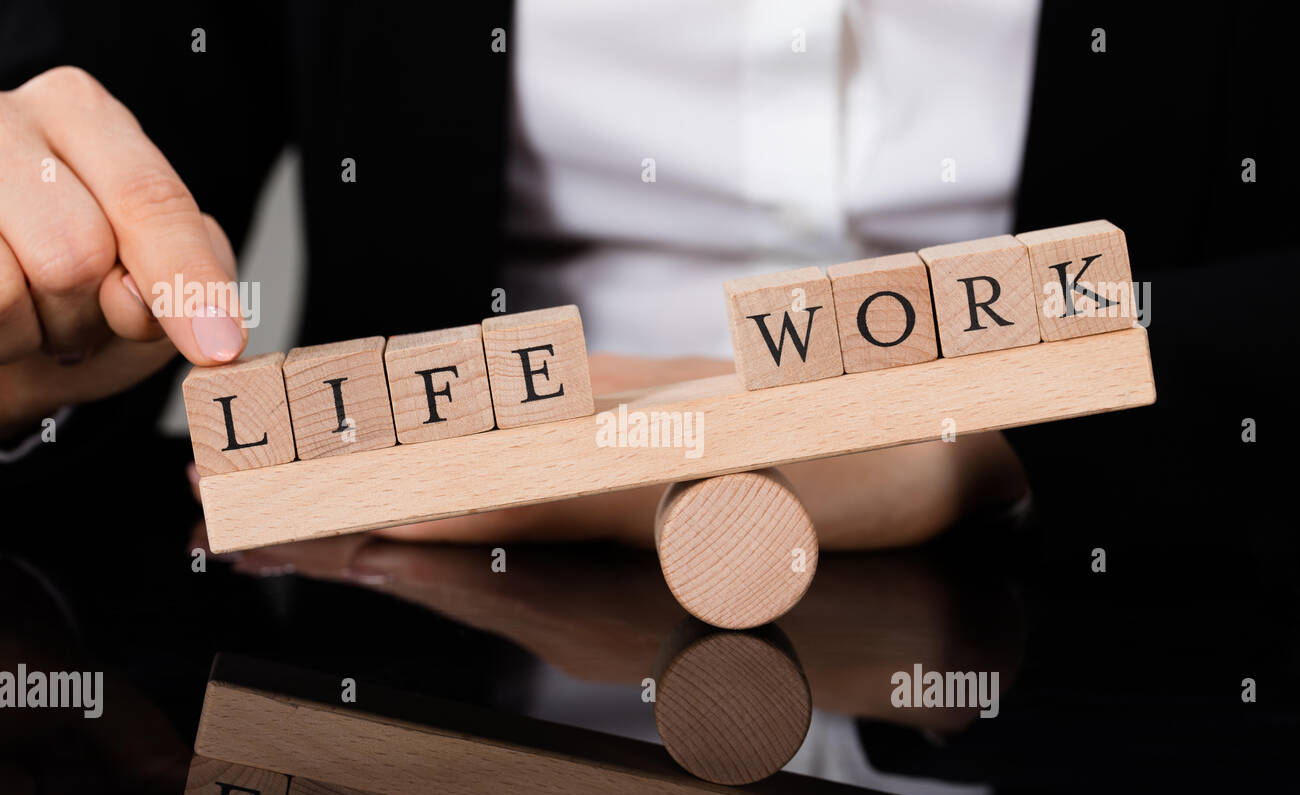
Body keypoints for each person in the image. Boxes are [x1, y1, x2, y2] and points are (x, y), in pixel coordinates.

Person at [0, 2, 1288, 553]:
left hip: (1159, 601)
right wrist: (37, 280)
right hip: (396, 614)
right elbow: (104, 117)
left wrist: (958, 412)